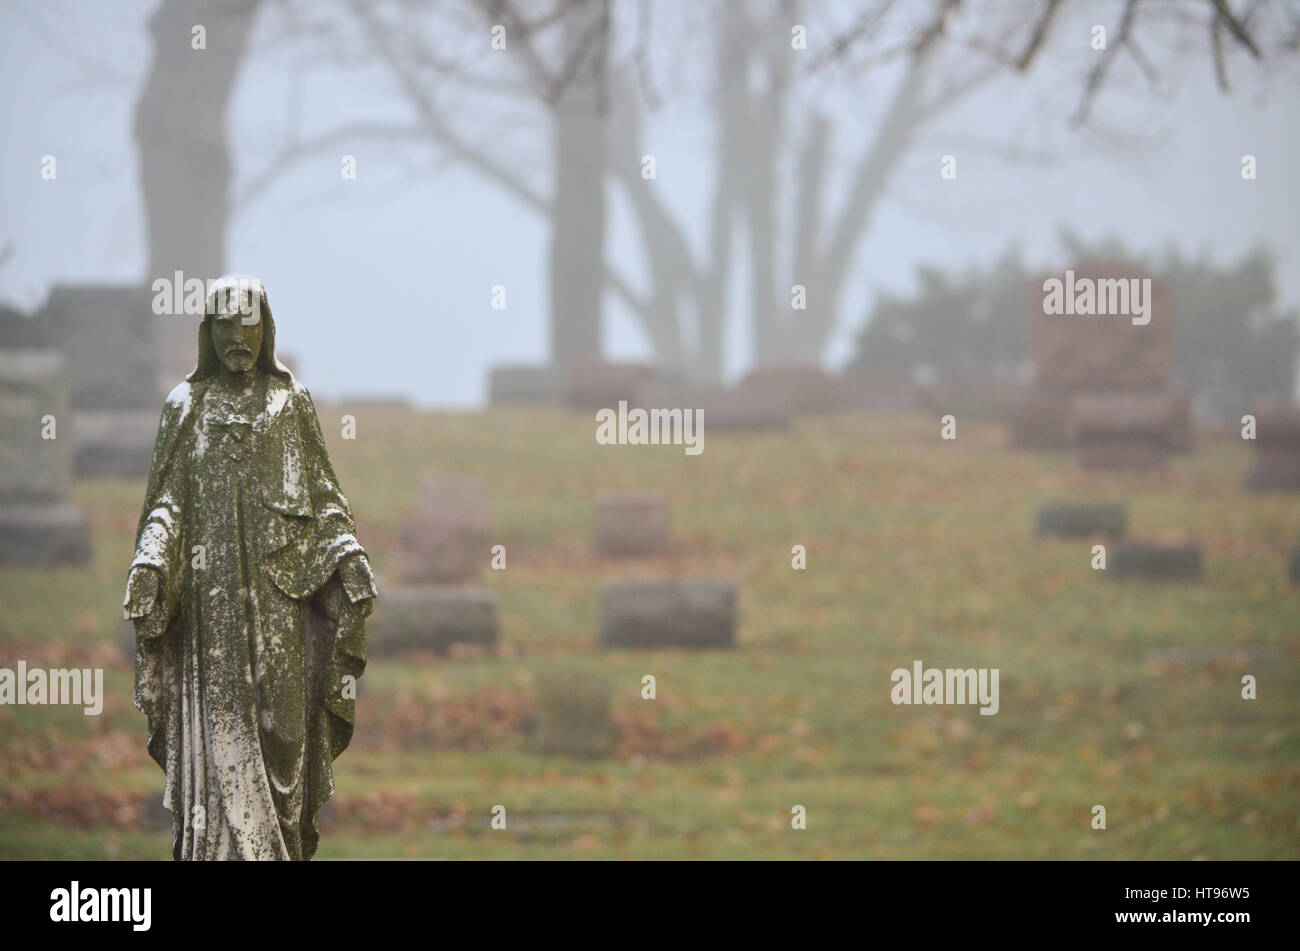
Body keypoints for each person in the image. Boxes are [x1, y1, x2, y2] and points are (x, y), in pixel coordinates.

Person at [123, 274, 376, 860]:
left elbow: (325, 499)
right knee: (222, 741)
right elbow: (167, 504)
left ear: (267, 330)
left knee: (284, 734)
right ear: (207, 333)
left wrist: (348, 554)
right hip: (210, 618)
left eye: (250, 323)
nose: (239, 337)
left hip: (280, 607)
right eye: (226, 325)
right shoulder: (186, 408)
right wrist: (151, 561)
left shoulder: (291, 405)